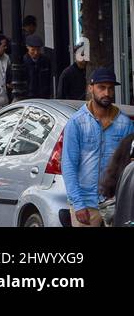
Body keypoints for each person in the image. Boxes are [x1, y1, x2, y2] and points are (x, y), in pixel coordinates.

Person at [61, 68, 134, 228]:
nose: (107, 92)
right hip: (85, 204)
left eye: (110, 88)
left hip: (115, 203)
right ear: (90, 88)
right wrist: (78, 204)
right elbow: (68, 165)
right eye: (101, 87)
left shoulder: (124, 124)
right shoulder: (77, 122)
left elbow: (129, 165)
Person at [24, 35, 55, 100]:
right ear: (27, 47)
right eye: (33, 50)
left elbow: (49, 79)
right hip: (28, 97)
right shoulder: (23, 61)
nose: (36, 53)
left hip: (44, 96)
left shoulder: (46, 60)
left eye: (38, 50)